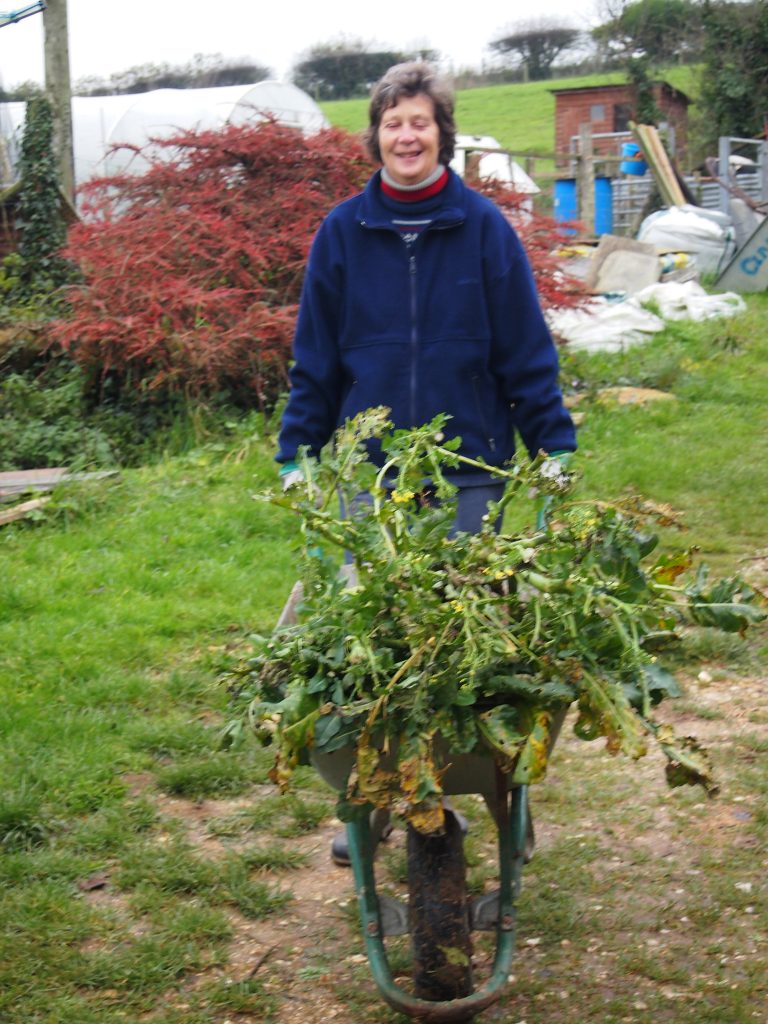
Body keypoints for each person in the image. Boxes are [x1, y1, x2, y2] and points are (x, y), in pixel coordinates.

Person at [276, 61, 576, 863]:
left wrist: (553, 445)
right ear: (374, 134)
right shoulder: (343, 232)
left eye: (420, 121)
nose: (406, 135)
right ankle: (378, 797)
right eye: (392, 122)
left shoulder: (483, 229)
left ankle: (488, 782)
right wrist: (297, 454)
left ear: (442, 130)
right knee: (372, 644)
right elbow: (316, 361)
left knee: (462, 646)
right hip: (370, 475)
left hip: (466, 468)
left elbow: (524, 351)